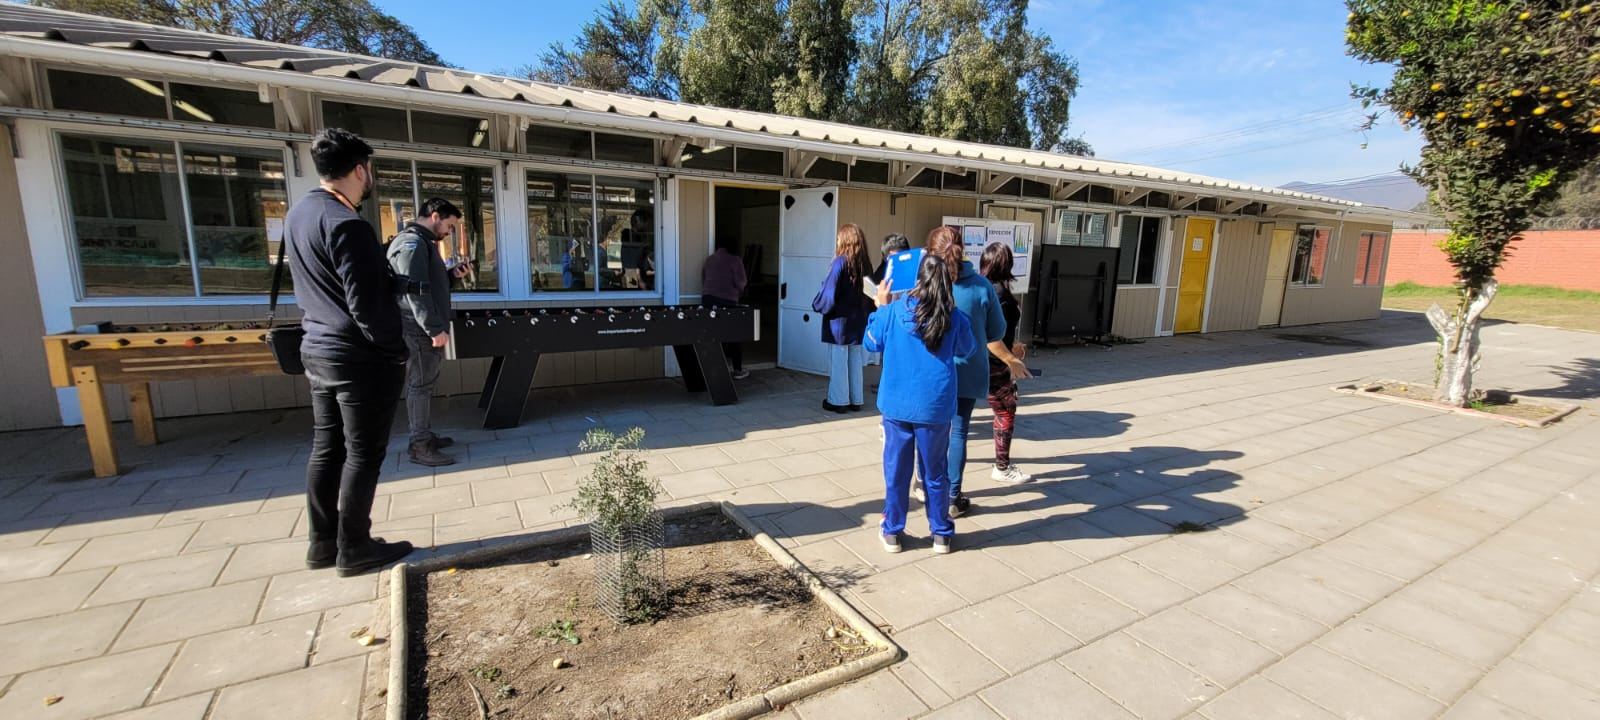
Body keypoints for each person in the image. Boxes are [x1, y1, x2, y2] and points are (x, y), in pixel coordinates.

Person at [285, 128, 413, 577]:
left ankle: (322, 542)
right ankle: (354, 545)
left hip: (316, 348)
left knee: (327, 449)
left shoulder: (299, 214)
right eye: (370, 169)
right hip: (357, 358)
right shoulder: (348, 224)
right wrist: (396, 351)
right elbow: (366, 306)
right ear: (360, 170)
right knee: (362, 453)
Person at [864, 253, 974, 555]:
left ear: (916, 281)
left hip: (897, 405)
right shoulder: (955, 318)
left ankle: (893, 531)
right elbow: (967, 349)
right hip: (935, 407)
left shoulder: (893, 312)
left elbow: (870, 342)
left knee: (897, 471)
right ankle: (940, 532)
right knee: (935, 472)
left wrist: (880, 306)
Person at [921, 225, 1027, 517]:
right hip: (968, 369)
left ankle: (924, 485)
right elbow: (997, 332)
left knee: (929, 430)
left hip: (931, 370)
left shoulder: (925, 284)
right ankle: (953, 496)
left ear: (932, 253)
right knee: (959, 433)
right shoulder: (982, 287)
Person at [387, 197, 469, 467]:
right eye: (449, 225)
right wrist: (434, 329)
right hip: (418, 329)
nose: (449, 231)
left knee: (424, 383)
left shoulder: (422, 244)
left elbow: (427, 285)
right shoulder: (412, 244)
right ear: (435, 216)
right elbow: (415, 291)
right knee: (420, 386)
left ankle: (423, 435)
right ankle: (419, 445)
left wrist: (451, 276)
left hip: (421, 327)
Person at [980, 242, 1034, 484]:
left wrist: (1013, 343)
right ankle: (1002, 467)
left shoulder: (982, 288)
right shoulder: (998, 293)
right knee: (1005, 412)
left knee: (957, 419)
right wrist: (1011, 358)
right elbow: (991, 336)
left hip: (980, 360)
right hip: (996, 363)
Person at [815, 224, 875, 413]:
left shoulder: (840, 262)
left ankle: (838, 401)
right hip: (859, 320)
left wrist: (817, 305)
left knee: (839, 360)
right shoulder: (865, 264)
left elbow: (828, 294)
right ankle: (856, 400)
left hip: (839, 322)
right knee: (856, 360)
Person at [702, 237, 749, 379]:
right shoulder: (735, 260)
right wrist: (740, 292)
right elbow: (741, 282)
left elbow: (703, 279)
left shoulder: (709, 260)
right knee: (733, 335)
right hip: (727, 300)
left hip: (708, 300)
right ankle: (737, 370)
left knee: (713, 334)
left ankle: (714, 369)